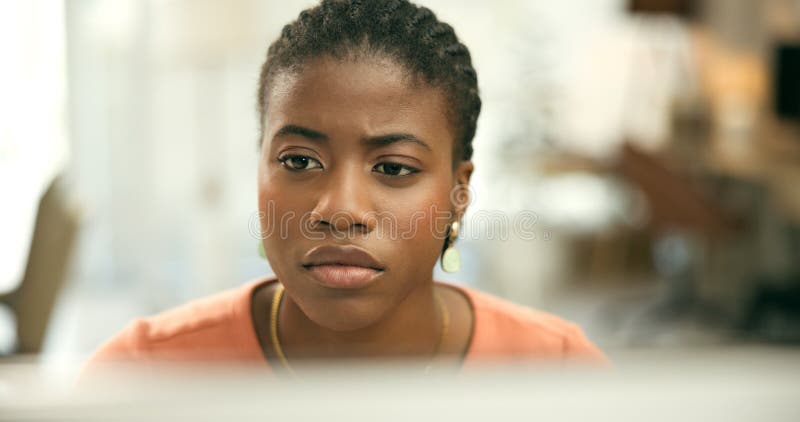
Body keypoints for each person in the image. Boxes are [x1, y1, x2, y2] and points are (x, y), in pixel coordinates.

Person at [82, 0, 608, 378]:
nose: (341, 210)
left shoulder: (558, 372)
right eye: (299, 160)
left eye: (395, 168)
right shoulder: (139, 376)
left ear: (458, 195)